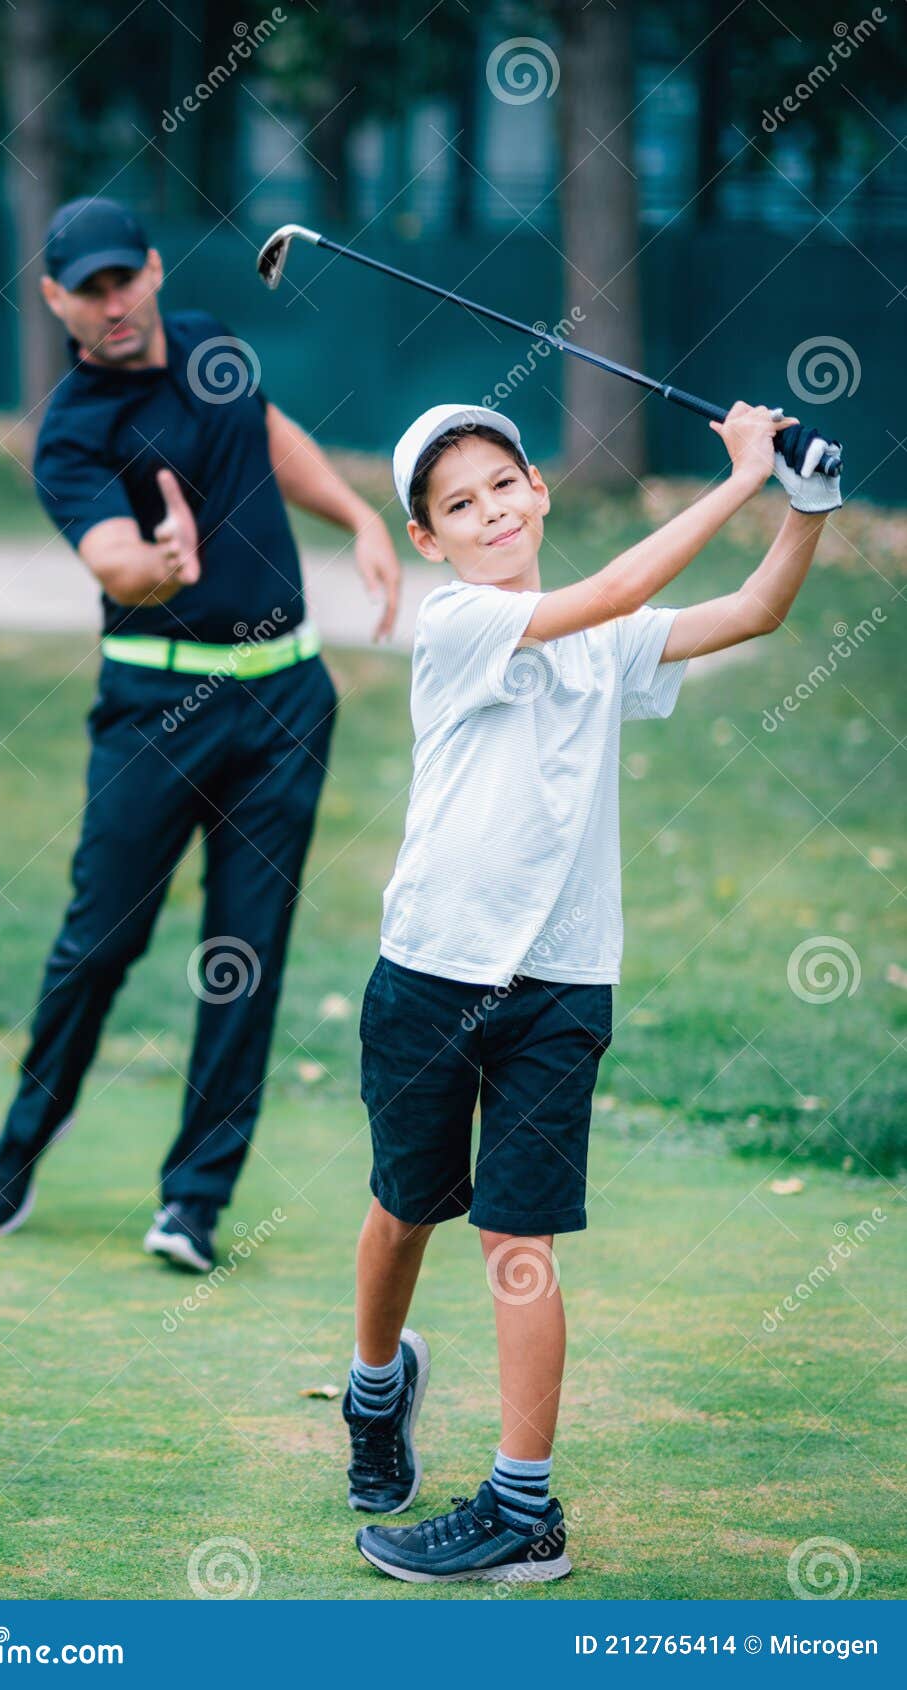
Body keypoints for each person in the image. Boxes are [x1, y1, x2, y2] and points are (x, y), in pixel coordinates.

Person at [340, 398, 841, 1582]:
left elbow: (754, 609)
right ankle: (374, 1388)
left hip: (561, 983)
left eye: (503, 485)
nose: (490, 511)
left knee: (517, 1239)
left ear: (538, 490)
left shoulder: (601, 638)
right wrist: (734, 480)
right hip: (429, 969)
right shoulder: (460, 621)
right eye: (457, 506)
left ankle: (522, 1507)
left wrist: (802, 506)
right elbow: (612, 590)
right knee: (405, 1208)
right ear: (429, 541)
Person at [0, 196, 401, 1271]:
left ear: (153, 271)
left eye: (126, 279)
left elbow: (265, 431)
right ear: (55, 299)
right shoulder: (72, 429)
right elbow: (114, 560)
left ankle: (193, 1202)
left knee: (241, 957)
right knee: (100, 941)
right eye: (90, 289)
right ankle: (23, 1142)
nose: (114, 304)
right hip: (157, 708)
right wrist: (161, 562)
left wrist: (356, 516)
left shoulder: (208, 341)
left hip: (286, 700)